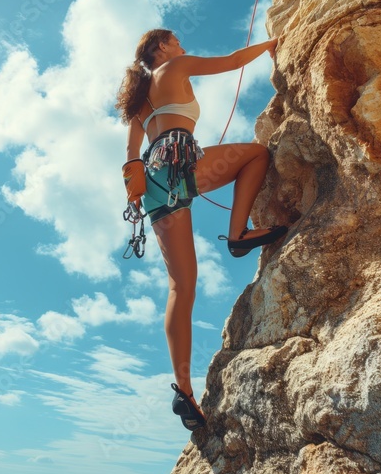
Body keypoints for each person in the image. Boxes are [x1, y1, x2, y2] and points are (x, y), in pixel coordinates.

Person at [115, 28, 287, 430]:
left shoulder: (140, 101)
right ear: (161, 48)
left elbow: (129, 156)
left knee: (180, 287)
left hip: (156, 182)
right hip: (182, 162)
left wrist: (136, 191)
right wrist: (272, 43)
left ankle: (184, 392)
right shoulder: (176, 67)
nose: (182, 46)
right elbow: (230, 62)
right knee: (257, 155)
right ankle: (238, 234)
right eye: (175, 40)